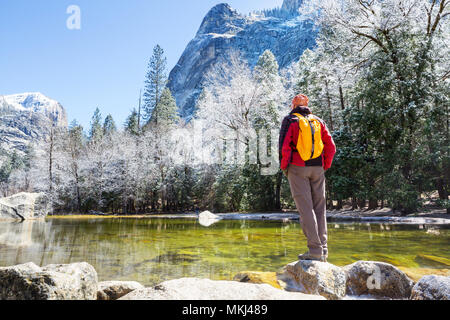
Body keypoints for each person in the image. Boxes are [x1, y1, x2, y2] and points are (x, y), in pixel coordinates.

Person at [279, 94, 336, 262]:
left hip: (297, 168)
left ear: (293, 105)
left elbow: (284, 146)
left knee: (306, 209)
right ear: (307, 105)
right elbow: (331, 146)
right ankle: (323, 249)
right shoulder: (318, 121)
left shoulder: (290, 120)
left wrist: (285, 167)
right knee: (320, 208)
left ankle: (314, 251)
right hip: (318, 168)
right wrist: (324, 165)